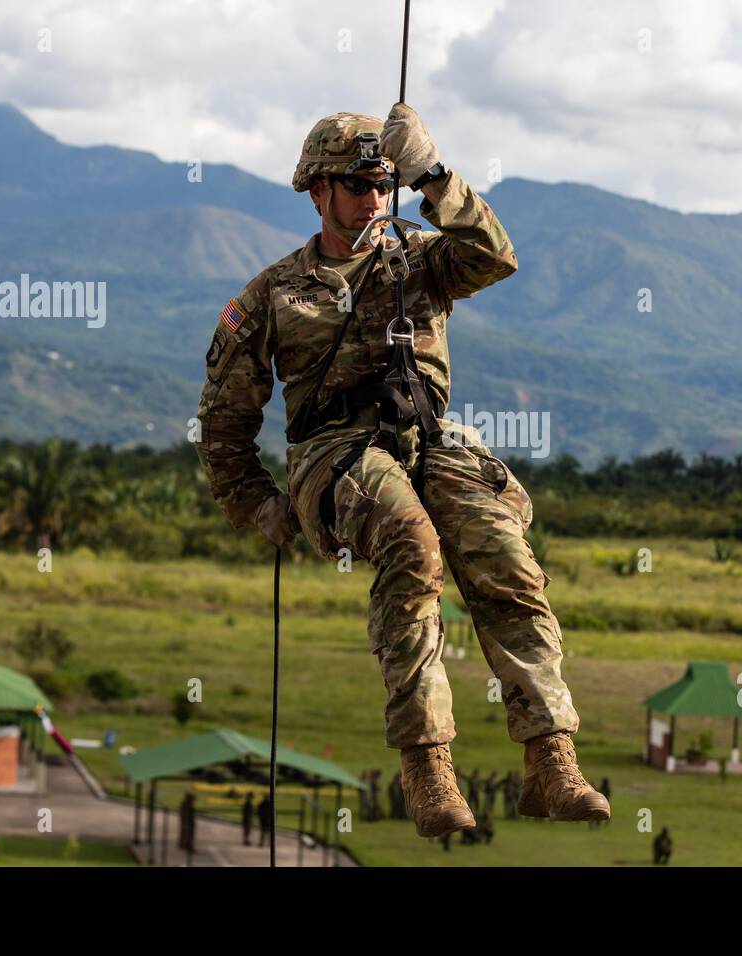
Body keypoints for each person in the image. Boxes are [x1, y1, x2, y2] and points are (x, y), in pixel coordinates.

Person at [196, 104, 609, 839]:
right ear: (317, 192)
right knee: (413, 545)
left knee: (503, 554)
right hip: (335, 456)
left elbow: (494, 257)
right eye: (358, 184)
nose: (374, 199)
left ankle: (551, 758)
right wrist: (260, 507)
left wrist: (436, 176)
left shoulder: (417, 258)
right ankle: (428, 767)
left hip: (428, 440)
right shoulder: (275, 295)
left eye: (384, 182)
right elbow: (224, 422)